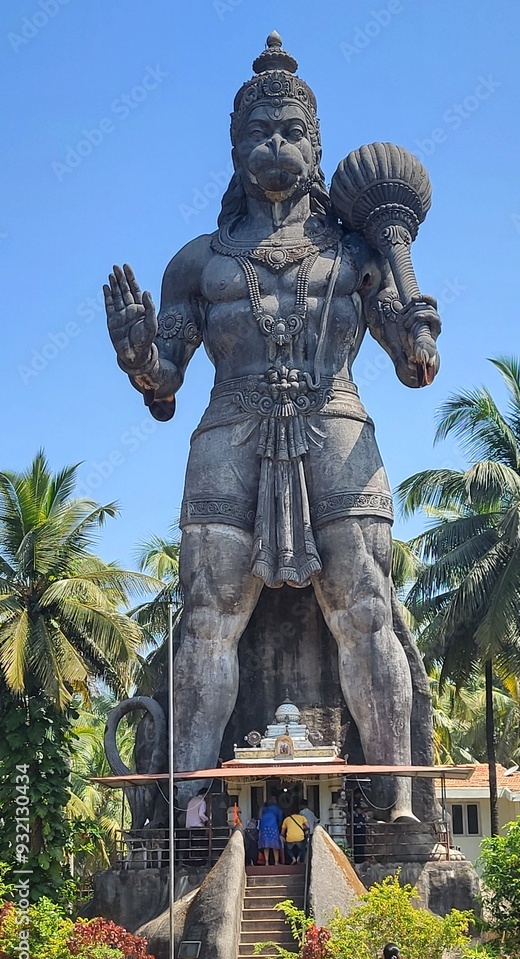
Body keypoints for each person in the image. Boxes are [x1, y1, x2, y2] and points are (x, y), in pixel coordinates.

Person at [104, 32, 441, 819]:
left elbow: (413, 364)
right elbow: (167, 384)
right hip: (228, 427)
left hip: (336, 421)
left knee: (364, 607)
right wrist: (137, 360)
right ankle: (187, 807)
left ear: (316, 148)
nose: (274, 142)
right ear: (233, 147)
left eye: (290, 130)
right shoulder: (197, 261)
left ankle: (394, 804)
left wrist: (411, 306)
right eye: (259, 131)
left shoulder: (357, 251)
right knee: (205, 616)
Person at [185, 787, 209, 864]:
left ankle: (190, 862)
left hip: (189, 826)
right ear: (205, 794)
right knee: (200, 845)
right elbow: (201, 814)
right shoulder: (202, 801)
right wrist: (207, 820)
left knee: (192, 844)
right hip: (198, 826)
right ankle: (200, 862)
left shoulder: (192, 801)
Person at [258, 796, 283, 865]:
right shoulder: (277, 808)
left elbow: (259, 817)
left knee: (266, 845)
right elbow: (280, 817)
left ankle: (266, 862)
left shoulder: (263, 808)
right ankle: (276, 862)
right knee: (275, 845)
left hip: (264, 827)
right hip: (273, 826)